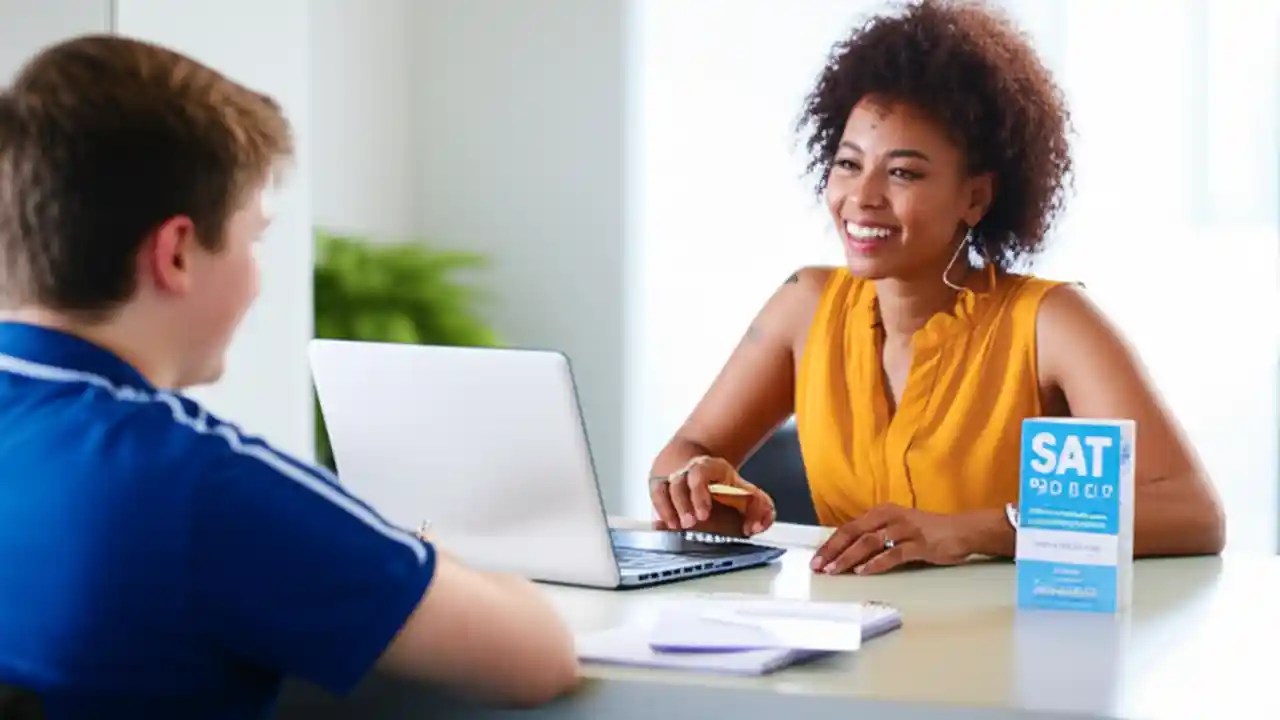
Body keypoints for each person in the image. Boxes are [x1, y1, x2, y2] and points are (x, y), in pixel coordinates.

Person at [0, 35, 577, 718]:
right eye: (257, 238)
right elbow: (537, 656)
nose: (257, 277)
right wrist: (411, 547)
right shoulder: (200, 481)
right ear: (177, 253)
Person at [648, 0, 1226, 576]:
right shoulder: (804, 305)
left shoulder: (1051, 322)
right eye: (849, 164)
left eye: (903, 173)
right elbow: (684, 452)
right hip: (847, 641)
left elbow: (1192, 513)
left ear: (975, 197)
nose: (863, 197)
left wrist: (972, 531)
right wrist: (697, 490)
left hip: (1004, 648)